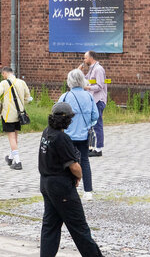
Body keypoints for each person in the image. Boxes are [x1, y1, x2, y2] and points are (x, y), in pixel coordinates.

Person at [38, 101, 103, 257]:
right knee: (79, 227)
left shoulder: (46, 133)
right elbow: (74, 167)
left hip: (46, 183)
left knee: (50, 226)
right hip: (61, 188)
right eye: (70, 118)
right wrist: (78, 175)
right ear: (65, 119)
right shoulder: (62, 138)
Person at [58, 69, 100, 201]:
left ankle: (68, 189)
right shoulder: (89, 96)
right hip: (83, 135)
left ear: (69, 81)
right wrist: (87, 124)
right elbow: (95, 115)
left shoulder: (65, 97)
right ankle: (88, 191)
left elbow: (57, 114)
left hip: (68, 136)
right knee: (85, 161)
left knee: (67, 162)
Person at [0, 68, 32, 171]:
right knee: (15, 136)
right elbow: (28, 98)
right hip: (20, 114)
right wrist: (21, 104)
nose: (3, 76)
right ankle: (10, 158)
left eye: (2, 74)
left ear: (4, 73)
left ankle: (18, 162)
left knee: (11, 138)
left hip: (8, 115)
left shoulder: (4, 83)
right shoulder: (22, 82)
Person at [82, 52, 108, 157]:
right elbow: (87, 80)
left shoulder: (98, 69)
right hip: (93, 100)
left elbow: (100, 86)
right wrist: (80, 72)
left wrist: (87, 88)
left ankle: (98, 149)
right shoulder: (92, 69)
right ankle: (93, 147)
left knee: (98, 124)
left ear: (91, 58)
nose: (84, 60)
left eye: (85, 58)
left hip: (98, 100)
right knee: (92, 124)